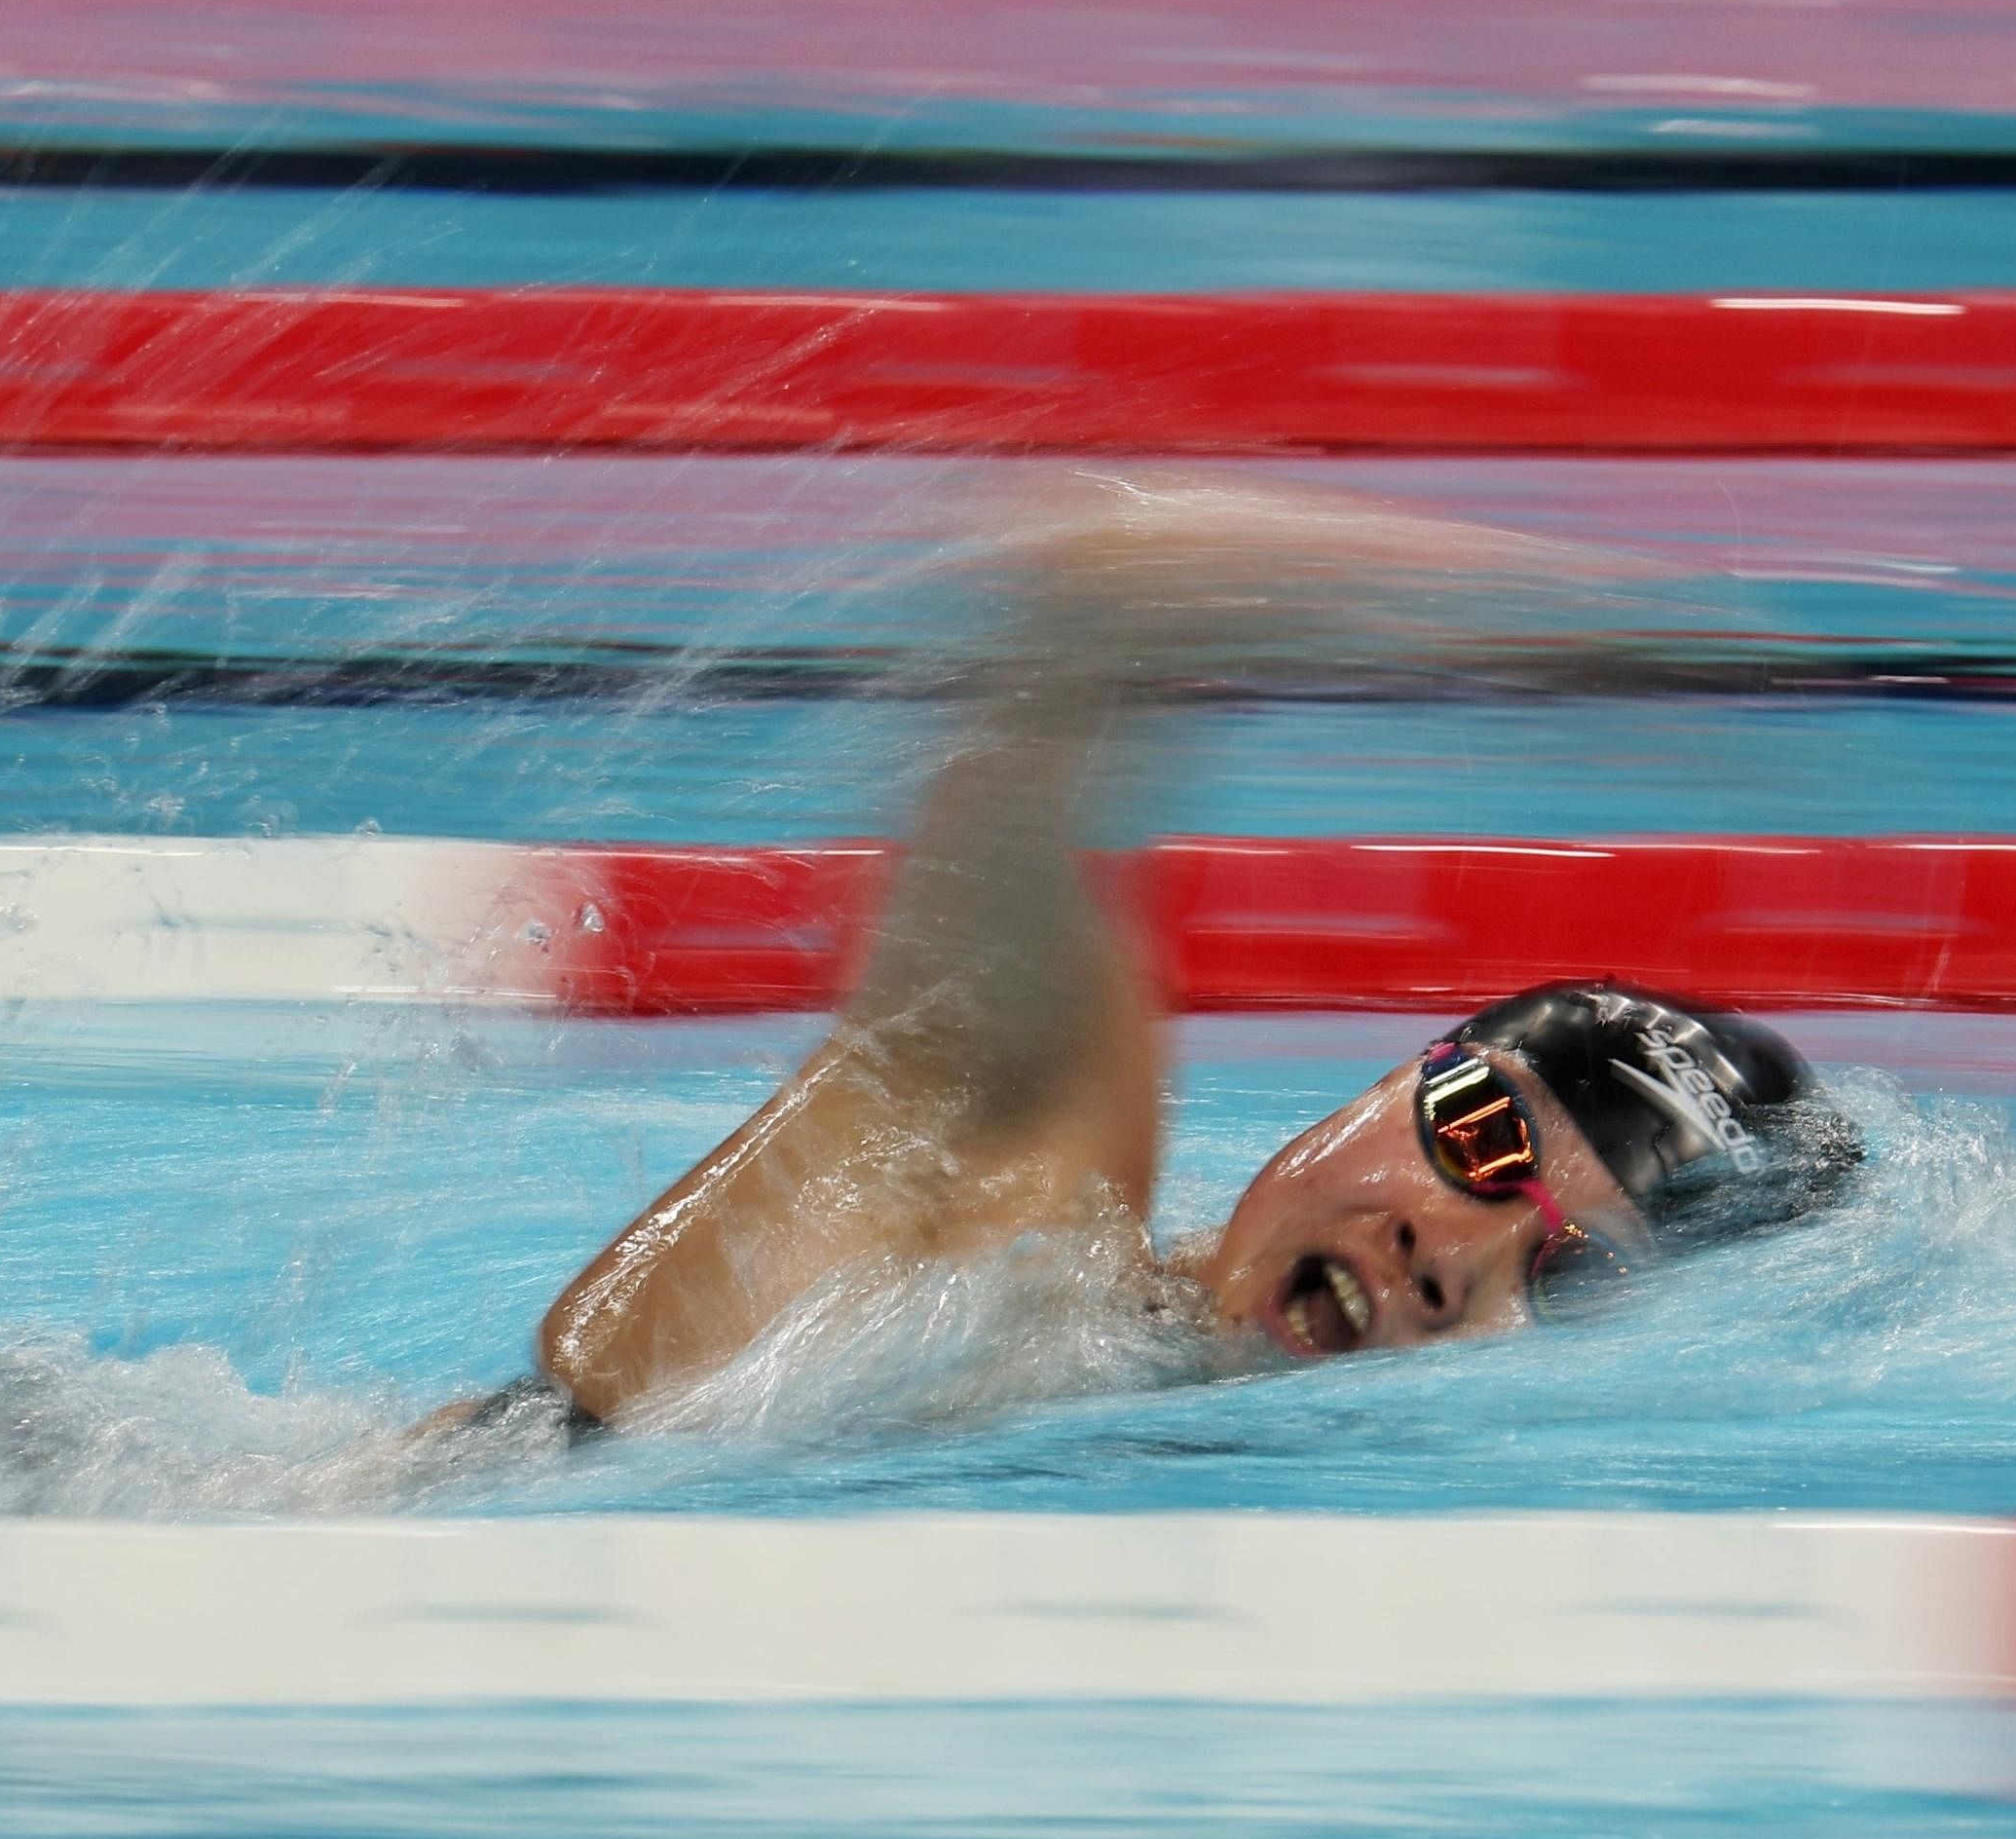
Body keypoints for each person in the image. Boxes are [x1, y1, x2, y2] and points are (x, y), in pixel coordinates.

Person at [454, 478, 1856, 1437]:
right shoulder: (1012, 1180)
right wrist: (1552, 619)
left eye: (1571, 1277)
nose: (1449, 1255)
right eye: (1480, 1138)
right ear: (1376, 1091)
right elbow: (1090, 592)